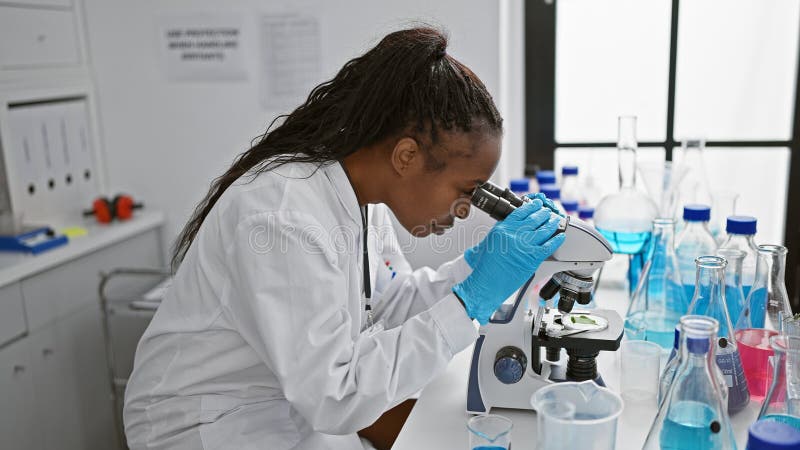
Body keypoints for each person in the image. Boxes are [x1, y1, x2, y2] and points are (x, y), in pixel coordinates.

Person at [123, 26, 564, 450]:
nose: (467, 210)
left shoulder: (360, 201)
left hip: (286, 407)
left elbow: (391, 304)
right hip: (209, 427)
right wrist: (470, 302)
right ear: (406, 155)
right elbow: (334, 395)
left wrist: (478, 267)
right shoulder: (281, 216)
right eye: (465, 191)